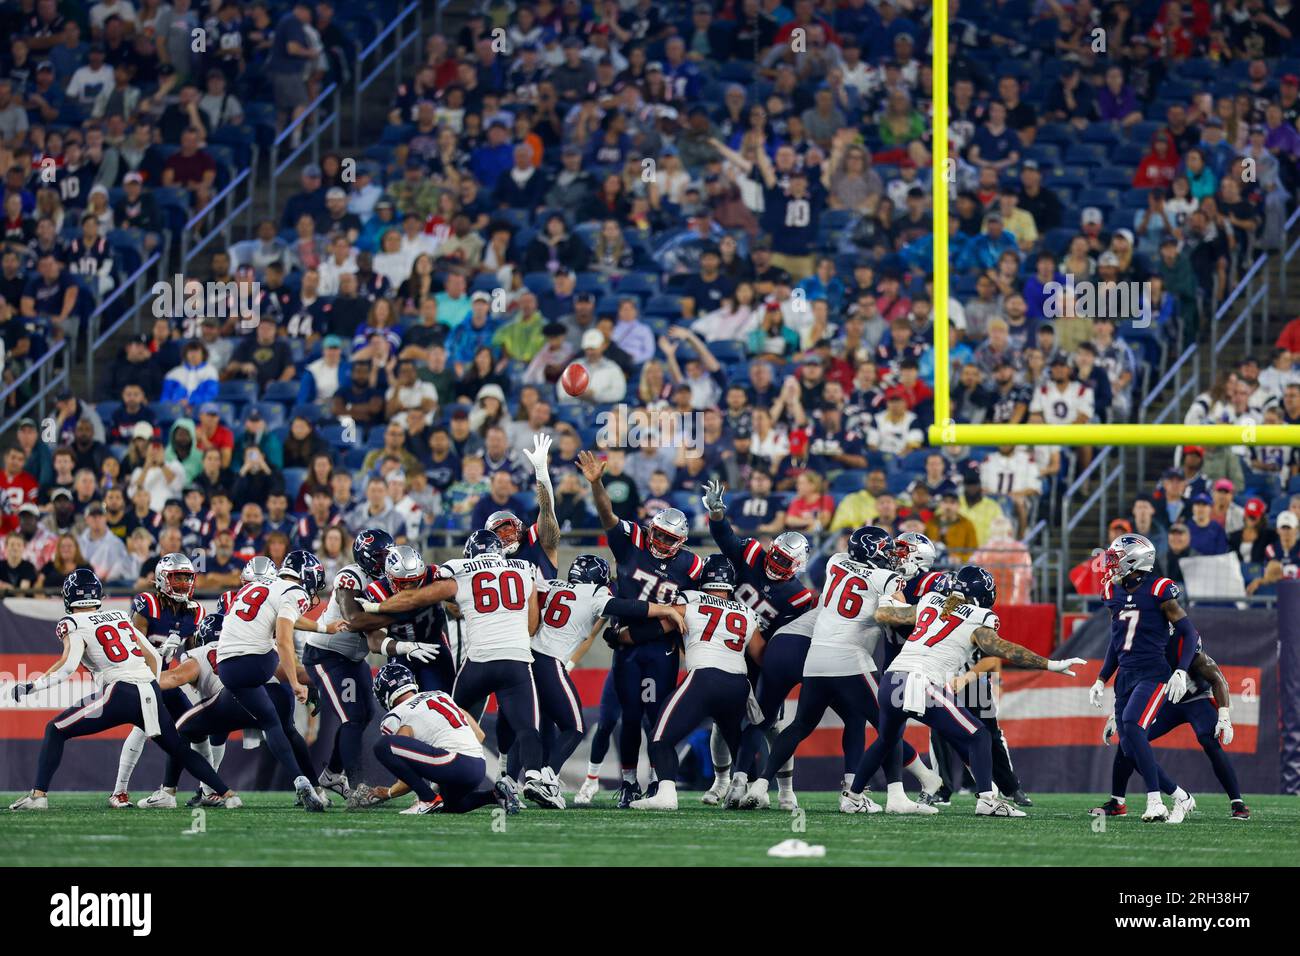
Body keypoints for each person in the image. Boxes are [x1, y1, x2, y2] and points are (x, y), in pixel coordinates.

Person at [851, 565, 1086, 817]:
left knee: (887, 740)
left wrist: (886, 598)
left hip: (891, 680)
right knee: (979, 735)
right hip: (920, 682)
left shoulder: (930, 600)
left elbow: (887, 615)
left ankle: (852, 796)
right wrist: (1050, 664)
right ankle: (987, 800)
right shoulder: (978, 617)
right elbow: (1001, 648)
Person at [741, 526, 943, 815]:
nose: (889, 556)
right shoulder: (886, 578)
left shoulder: (835, 561)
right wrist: (927, 610)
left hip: (816, 658)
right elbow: (896, 615)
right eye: (885, 551)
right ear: (873, 553)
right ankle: (893, 796)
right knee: (889, 723)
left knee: (800, 725)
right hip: (850, 659)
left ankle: (759, 785)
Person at [356, 530, 562, 810]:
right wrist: (402, 646)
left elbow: (430, 598)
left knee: (446, 715)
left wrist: (379, 606)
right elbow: (530, 624)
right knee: (522, 726)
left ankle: (435, 786)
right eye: (404, 582)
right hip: (503, 657)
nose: (411, 586)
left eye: (415, 581)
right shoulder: (524, 569)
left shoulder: (449, 571)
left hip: (457, 655)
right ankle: (531, 779)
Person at [9, 570, 240, 811]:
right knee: (178, 748)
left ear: (68, 597)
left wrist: (33, 685)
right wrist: (149, 683)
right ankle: (227, 793)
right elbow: (151, 655)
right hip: (149, 689)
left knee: (55, 729)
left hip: (120, 693)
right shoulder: (118, 615)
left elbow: (68, 666)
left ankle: (38, 796)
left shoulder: (72, 623)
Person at [630, 555, 764, 812]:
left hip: (704, 677)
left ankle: (666, 794)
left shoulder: (691, 598)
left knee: (660, 737)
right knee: (735, 737)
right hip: (738, 683)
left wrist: (623, 636)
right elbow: (761, 655)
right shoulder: (747, 611)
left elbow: (662, 627)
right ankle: (748, 786)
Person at [1088, 534, 1203, 823]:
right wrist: (1102, 678)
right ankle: (1180, 796)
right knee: (1129, 747)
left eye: (1116, 559)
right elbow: (1117, 642)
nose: (1111, 565)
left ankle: (1155, 802)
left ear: (1135, 559)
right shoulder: (1112, 593)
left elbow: (1189, 633)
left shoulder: (1159, 590)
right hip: (1125, 674)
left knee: (1132, 725)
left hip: (1152, 672)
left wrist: (1180, 670)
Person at [214, 550, 327, 810]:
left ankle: (303, 783)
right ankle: (311, 785)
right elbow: (284, 639)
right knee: (283, 722)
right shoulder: (292, 591)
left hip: (227, 668)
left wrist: (324, 628)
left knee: (272, 723)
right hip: (259, 661)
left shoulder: (246, 593)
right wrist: (299, 684)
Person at [1095, 634, 1248, 821]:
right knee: (1131, 739)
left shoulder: (1192, 655)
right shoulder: (1148, 654)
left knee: (1209, 740)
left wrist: (1224, 716)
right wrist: (1116, 715)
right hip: (1166, 701)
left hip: (1196, 699)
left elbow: (1218, 680)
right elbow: (1134, 684)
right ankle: (1117, 802)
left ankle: (1237, 802)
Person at [110, 552, 205, 808]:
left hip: (165, 680)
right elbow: (133, 647)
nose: (184, 583)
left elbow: (196, 655)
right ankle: (119, 791)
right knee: (142, 729)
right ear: (163, 579)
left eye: (187, 577)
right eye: (177, 577)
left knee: (195, 727)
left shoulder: (195, 612)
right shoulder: (146, 604)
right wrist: (159, 653)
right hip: (140, 678)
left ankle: (198, 790)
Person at [363, 662, 519, 816]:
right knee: (452, 804)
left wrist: (389, 793)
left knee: (383, 746)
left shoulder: (396, 715)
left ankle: (428, 800)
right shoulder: (440, 695)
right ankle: (495, 794)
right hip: (477, 766)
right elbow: (479, 735)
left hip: (452, 763)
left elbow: (406, 768)